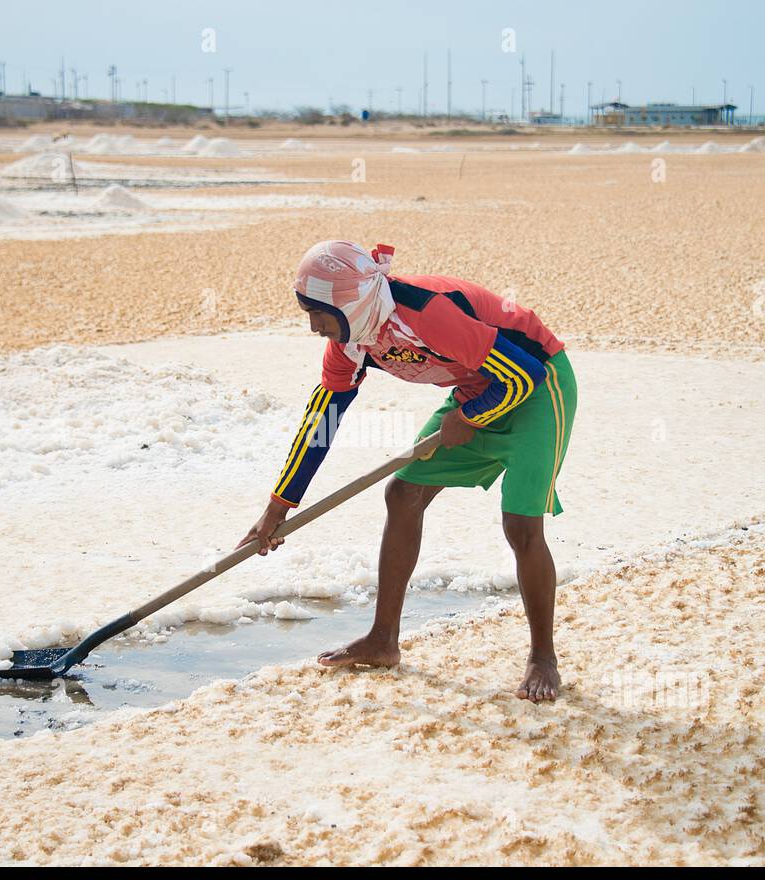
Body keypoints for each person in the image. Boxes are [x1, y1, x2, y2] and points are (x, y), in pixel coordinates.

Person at [239, 240, 577, 702]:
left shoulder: (424, 313)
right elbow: (322, 420)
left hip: (539, 390)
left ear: (350, 301)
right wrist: (277, 507)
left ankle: (543, 657)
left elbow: (524, 374)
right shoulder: (349, 341)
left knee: (520, 524)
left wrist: (471, 418)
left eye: (319, 313)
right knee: (403, 493)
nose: (314, 327)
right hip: (478, 390)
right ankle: (383, 640)